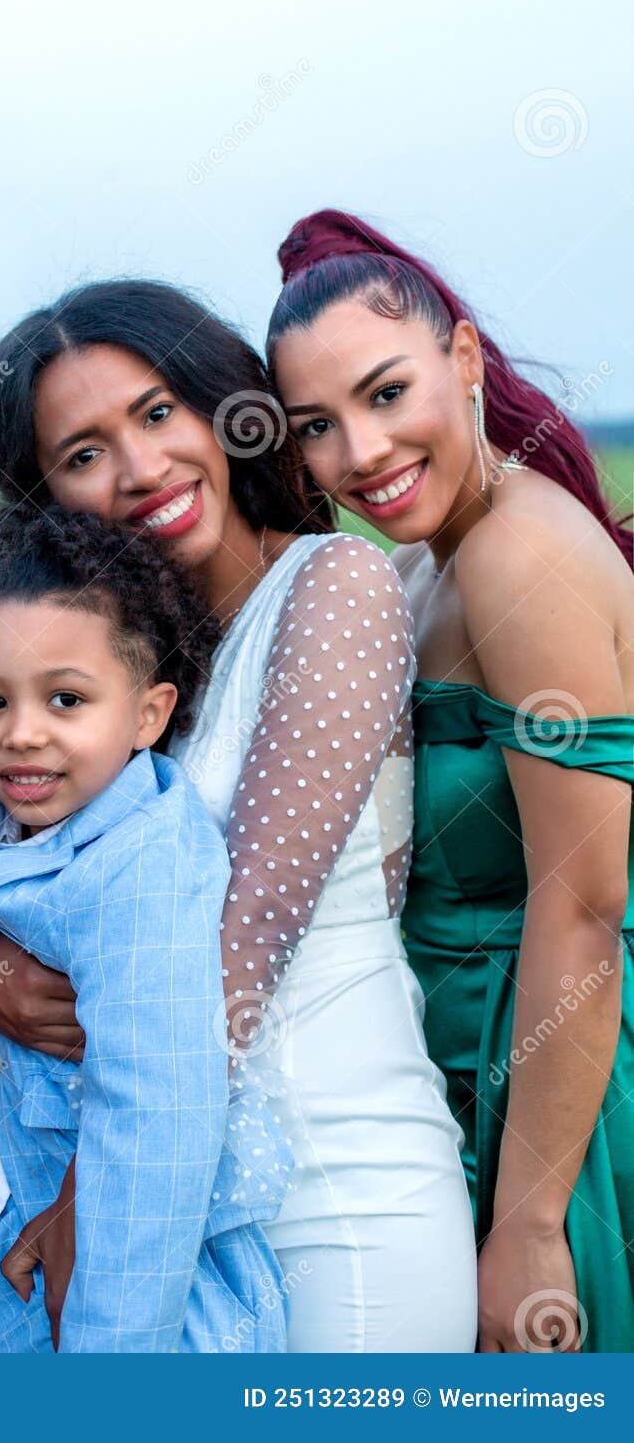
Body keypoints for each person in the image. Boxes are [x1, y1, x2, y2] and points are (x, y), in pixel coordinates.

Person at [0, 280, 478, 1352]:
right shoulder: (78, 670)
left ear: (221, 409)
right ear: (44, 499)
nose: (140, 469)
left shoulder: (332, 586)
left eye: (156, 413)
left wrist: (102, 1194)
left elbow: (245, 932)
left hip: (328, 1200)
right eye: (83, 453)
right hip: (151, 1204)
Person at [264, 208, 634, 1354]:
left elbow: (583, 903)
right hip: (460, 1068)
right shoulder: (418, 567)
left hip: (556, 1102)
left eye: (386, 393)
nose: (361, 452)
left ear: (462, 359)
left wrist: (529, 1226)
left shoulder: (519, 553)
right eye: (316, 426)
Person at [0, 500, 292, 1351]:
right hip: (16, 1218)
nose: (21, 735)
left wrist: (113, 1351)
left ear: (149, 715)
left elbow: (156, 1114)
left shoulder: (142, 861)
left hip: (134, 1282)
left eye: (65, 699)